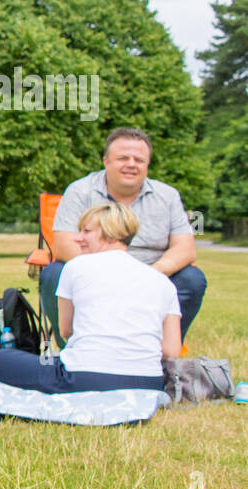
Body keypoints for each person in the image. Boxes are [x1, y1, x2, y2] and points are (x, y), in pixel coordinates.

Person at [0, 203, 180, 393]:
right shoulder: (163, 282)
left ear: (111, 232)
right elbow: (171, 351)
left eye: (86, 231)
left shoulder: (76, 267)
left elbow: (66, 331)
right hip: (149, 382)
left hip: (82, 378)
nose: (78, 238)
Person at [40, 127, 205, 346]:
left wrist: (146, 276)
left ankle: (161, 352)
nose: (131, 164)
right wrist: (112, 275)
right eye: (123, 158)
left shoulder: (168, 196)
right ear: (106, 161)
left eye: (139, 160)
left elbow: (185, 249)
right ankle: (72, 350)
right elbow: (64, 246)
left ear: (147, 164)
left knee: (192, 279)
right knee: (53, 274)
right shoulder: (79, 191)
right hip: (93, 273)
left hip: (152, 274)